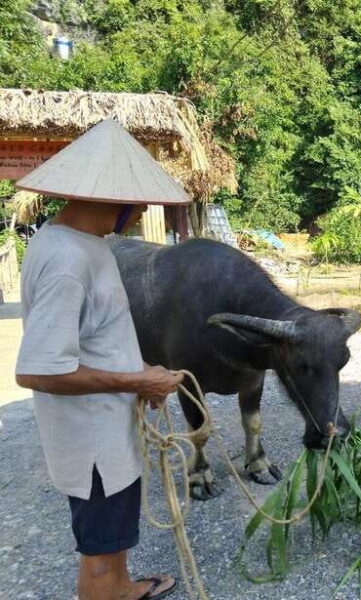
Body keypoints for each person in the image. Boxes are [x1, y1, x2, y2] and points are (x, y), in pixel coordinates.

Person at [14, 118, 188, 600]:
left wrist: (138, 380)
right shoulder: (69, 261)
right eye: (139, 205)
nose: (140, 215)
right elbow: (38, 369)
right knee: (97, 551)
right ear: (117, 201)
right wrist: (138, 381)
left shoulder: (77, 242)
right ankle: (103, 589)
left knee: (111, 537)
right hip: (91, 441)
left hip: (104, 429)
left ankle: (122, 587)